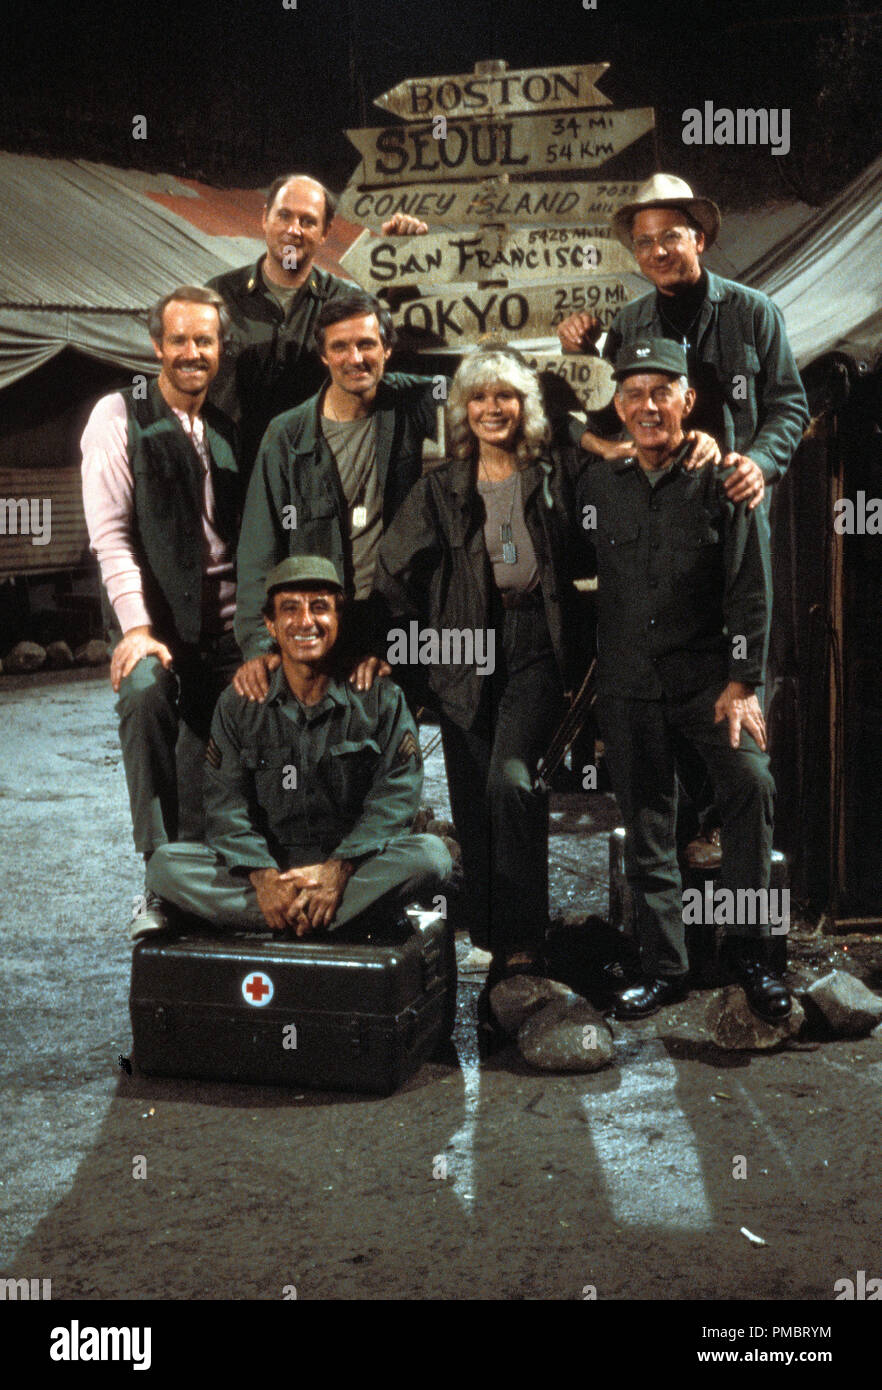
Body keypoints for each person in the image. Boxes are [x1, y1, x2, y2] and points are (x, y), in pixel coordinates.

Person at [578, 338, 789, 1023]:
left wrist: (743, 681)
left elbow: (749, 589)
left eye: (661, 392)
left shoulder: (723, 479)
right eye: (633, 393)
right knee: (646, 822)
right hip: (630, 686)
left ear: (687, 402)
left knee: (750, 785)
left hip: (711, 686)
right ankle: (662, 968)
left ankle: (751, 952)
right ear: (618, 404)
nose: (647, 406)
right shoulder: (598, 485)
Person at [373, 343, 592, 995]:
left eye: (505, 395)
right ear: (463, 410)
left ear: (523, 406)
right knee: (472, 803)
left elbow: (600, 474)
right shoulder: (441, 488)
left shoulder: (550, 474)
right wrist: (416, 650)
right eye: (480, 396)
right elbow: (391, 573)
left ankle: (524, 942)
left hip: (532, 647)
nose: (492, 407)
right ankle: (498, 947)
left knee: (511, 785)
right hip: (460, 650)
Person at [145, 556, 451, 937]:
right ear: (271, 625)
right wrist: (263, 877)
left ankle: (291, 913)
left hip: (353, 864)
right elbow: (226, 806)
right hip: (271, 865)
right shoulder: (240, 703)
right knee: (165, 865)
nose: (306, 621)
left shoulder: (380, 699)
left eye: (319, 607)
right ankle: (329, 914)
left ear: (339, 619)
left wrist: (338, 869)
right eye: (290, 609)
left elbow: (395, 800)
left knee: (431, 857)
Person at [80, 286, 243, 936]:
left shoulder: (227, 428)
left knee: (258, 724)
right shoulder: (118, 415)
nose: (192, 353)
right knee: (144, 693)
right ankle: (157, 875)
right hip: (161, 626)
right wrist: (137, 629)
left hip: (229, 628)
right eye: (179, 340)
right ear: (157, 345)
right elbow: (110, 535)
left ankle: (239, 876)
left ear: (220, 349)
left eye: (204, 341)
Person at [557, 173, 809, 522]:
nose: (657, 252)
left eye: (670, 237)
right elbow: (607, 419)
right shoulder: (628, 324)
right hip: (656, 509)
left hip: (735, 501)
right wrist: (581, 355)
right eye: (643, 242)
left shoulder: (753, 312)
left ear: (699, 241)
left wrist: (759, 463)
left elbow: (789, 405)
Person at [233, 291, 443, 700]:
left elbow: (489, 392)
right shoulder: (287, 435)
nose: (356, 358)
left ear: (387, 348)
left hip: (393, 618)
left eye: (366, 344)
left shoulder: (411, 402)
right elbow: (259, 546)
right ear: (324, 356)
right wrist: (262, 645)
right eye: (340, 347)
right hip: (318, 622)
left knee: (392, 734)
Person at [207, 173, 427, 477]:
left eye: (308, 221)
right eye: (284, 215)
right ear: (264, 218)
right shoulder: (217, 297)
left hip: (317, 479)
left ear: (325, 232)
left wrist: (400, 267)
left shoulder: (348, 302)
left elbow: (397, 359)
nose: (293, 230)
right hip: (229, 479)